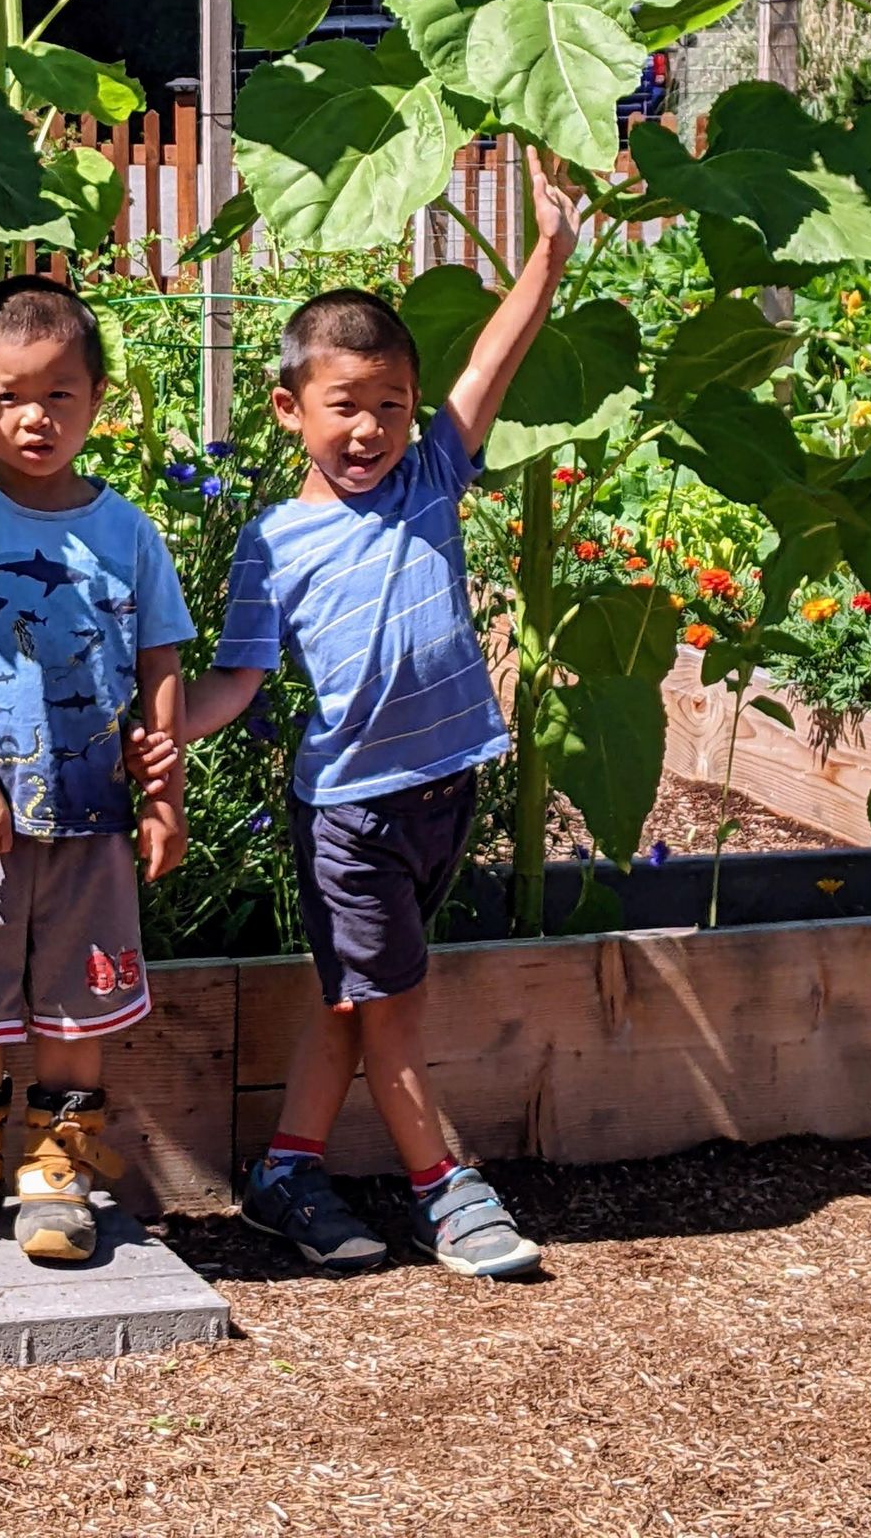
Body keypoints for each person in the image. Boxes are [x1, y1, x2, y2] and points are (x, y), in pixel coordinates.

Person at [170, 148, 581, 1278]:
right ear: (288, 407)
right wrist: (163, 725)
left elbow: (493, 364)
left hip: (446, 786)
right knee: (390, 1006)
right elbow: (239, 684)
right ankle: (449, 1192)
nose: (370, 430)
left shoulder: (430, 477)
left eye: (390, 406)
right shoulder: (273, 543)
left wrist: (547, 253)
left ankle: (289, 1172)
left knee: (355, 1000)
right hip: (350, 809)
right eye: (344, 407)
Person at [0, 274, 191, 1265]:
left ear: (97, 401)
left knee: (80, 991)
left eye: (59, 394)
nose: (34, 416)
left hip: (96, 810)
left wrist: (164, 797)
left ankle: (58, 1165)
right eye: (10, 394)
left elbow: (159, 668)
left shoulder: (128, 534)